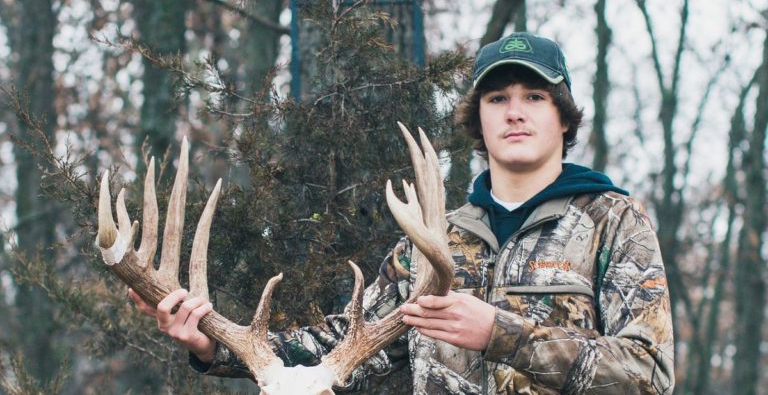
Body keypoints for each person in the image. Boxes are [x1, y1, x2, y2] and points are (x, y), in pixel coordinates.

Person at [130, 32, 675, 394]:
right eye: (496, 99)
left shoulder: (612, 222)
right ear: (478, 119)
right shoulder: (432, 240)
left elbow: (649, 373)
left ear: (564, 117)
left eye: (535, 97)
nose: (514, 112)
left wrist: (501, 333)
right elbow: (342, 347)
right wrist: (211, 344)